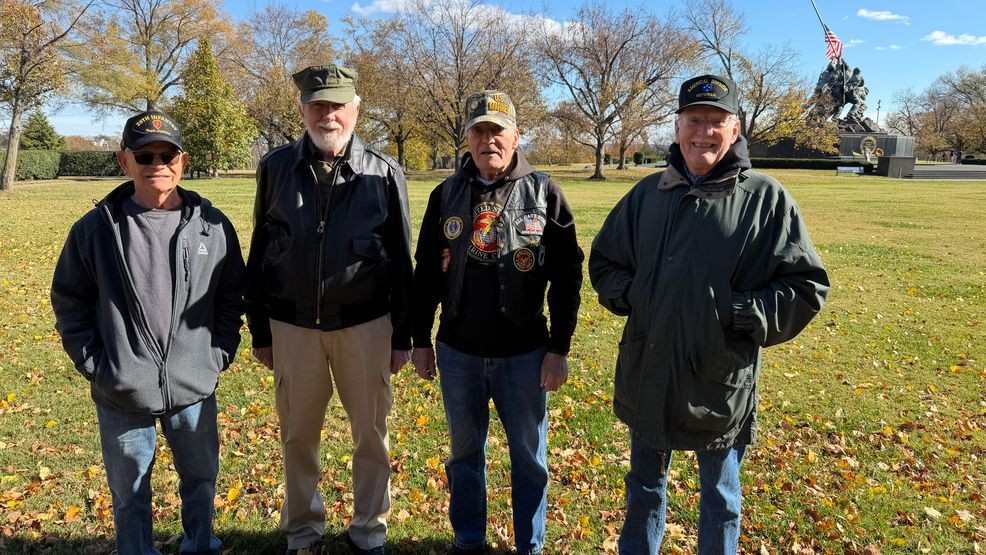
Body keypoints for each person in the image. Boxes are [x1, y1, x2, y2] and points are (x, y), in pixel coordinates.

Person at [588, 74, 830, 555]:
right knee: (643, 487)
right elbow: (605, 261)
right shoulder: (647, 195)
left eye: (716, 121)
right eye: (694, 120)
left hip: (719, 382)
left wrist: (743, 312)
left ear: (735, 130)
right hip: (649, 372)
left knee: (720, 496)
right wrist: (633, 294)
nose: (704, 132)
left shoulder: (765, 200)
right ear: (677, 127)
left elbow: (806, 285)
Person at [51, 110, 247, 555]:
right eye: (145, 155)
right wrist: (99, 366)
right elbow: (69, 301)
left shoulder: (212, 227)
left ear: (183, 160)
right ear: (124, 161)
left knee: (200, 481)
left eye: (167, 154)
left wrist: (215, 355)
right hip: (121, 391)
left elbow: (232, 297)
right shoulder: (95, 230)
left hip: (193, 386)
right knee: (129, 495)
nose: (157, 163)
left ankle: (200, 545)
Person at [245, 64, 413, 555]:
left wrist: (402, 336)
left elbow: (403, 260)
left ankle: (369, 530)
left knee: (371, 438)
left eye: (337, 105)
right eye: (317, 105)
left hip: (365, 326)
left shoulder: (384, 172)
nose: (328, 115)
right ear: (302, 110)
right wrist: (260, 329)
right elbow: (260, 249)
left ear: (356, 109)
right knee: (297, 438)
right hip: (292, 328)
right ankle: (303, 531)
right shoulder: (275, 168)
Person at [411, 90, 584, 554]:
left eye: (497, 130)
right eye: (479, 130)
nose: (488, 139)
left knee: (529, 459)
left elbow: (568, 277)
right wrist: (420, 339)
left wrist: (559, 348)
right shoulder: (446, 193)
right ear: (467, 137)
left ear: (516, 136)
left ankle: (530, 545)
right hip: (459, 351)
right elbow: (426, 270)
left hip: (525, 355)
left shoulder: (545, 192)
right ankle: (469, 542)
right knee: (466, 456)